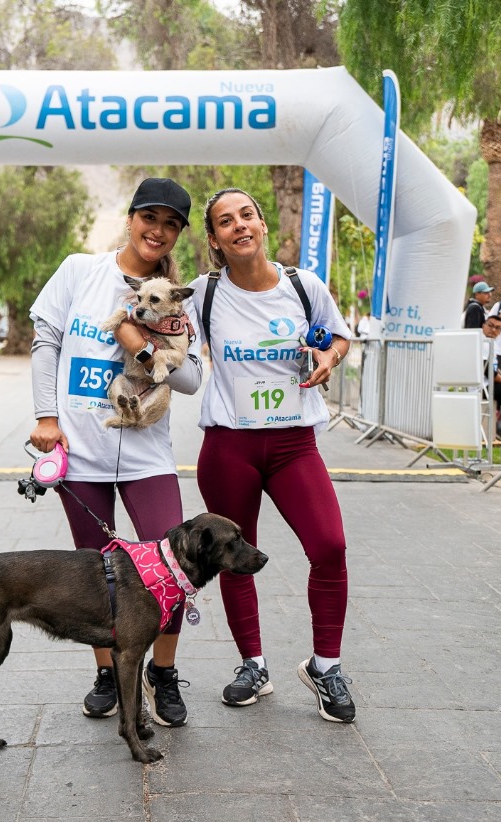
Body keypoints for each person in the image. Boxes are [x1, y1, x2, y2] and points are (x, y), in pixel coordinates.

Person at [27, 177, 203, 728]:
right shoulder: (80, 271)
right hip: (82, 450)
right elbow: (46, 342)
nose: (159, 230)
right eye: (151, 218)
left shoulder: (172, 301)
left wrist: (143, 344)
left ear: (176, 236)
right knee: (96, 574)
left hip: (148, 454)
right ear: (131, 218)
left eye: (171, 224)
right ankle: (108, 673)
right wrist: (46, 417)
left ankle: (163, 674)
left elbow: (192, 380)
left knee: (175, 567)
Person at [190, 187, 357, 723]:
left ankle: (325, 666)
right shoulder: (203, 294)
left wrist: (329, 357)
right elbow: (153, 321)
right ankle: (252, 665)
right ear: (215, 240)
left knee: (329, 545)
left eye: (246, 216)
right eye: (224, 222)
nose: (238, 225)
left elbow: (337, 338)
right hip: (229, 446)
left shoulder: (303, 285)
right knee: (236, 557)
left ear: (263, 226)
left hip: (293, 444)